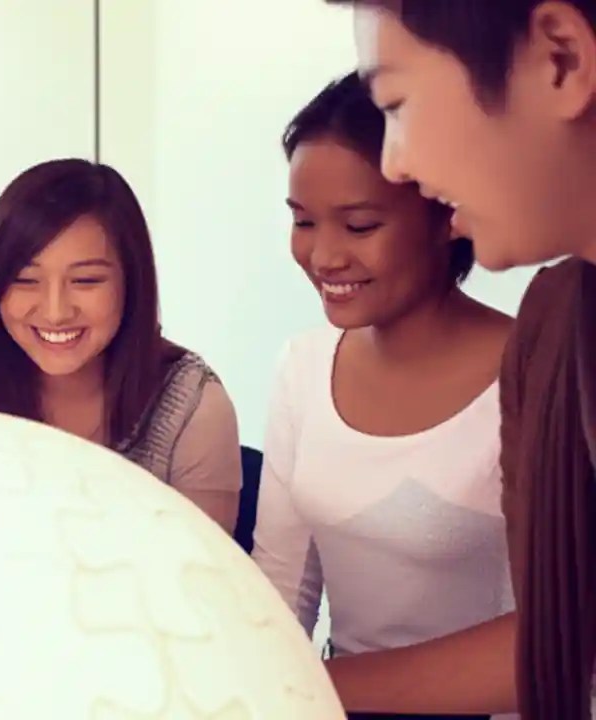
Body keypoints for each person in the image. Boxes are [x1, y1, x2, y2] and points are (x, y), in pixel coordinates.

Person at [321, 2, 596, 718]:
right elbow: (563, 635)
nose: (395, 162)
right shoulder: (558, 331)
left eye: (397, 104)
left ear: (561, 59)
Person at [251, 71, 516, 720]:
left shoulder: (530, 374)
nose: (324, 256)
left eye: (360, 225)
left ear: (446, 214)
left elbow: (549, 647)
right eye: (304, 222)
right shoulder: (303, 366)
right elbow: (280, 589)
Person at [0, 159, 241, 532]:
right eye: (26, 280)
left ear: (131, 282)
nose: (56, 312)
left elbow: (204, 578)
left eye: (86, 280)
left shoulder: (192, 405)